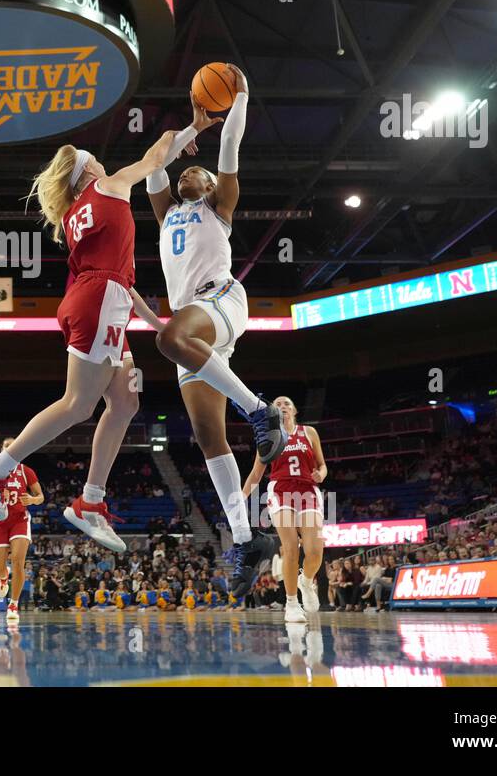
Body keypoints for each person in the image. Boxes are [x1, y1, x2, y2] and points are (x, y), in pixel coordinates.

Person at [0, 132, 183, 552]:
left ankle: (91, 500)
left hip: (102, 297)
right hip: (101, 299)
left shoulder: (73, 214)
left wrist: (158, 324)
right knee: (78, 404)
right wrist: (190, 129)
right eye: (97, 159)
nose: (104, 163)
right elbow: (156, 157)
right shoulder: (109, 184)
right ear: (87, 171)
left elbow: (122, 277)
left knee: (125, 401)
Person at [146, 66, 283, 598]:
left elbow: (232, 140)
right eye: (188, 173)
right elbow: (155, 163)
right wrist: (189, 130)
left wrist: (241, 92)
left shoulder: (219, 207)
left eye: (199, 173)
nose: (190, 175)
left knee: (167, 339)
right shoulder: (166, 214)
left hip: (219, 301)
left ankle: (259, 409)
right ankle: (248, 539)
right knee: (208, 438)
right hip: (196, 329)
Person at [242, 395, 325, 623]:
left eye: (287, 403)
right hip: (281, 490)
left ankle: (306, 582)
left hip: (308, 490)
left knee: (315, 552)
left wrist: (321, 474)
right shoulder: (267, 437)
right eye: (277, 405)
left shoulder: (309, 432)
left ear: (295, 409)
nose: (283, 406)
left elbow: (322, 465)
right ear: (273, 413)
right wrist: (240, 498)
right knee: (290, 547)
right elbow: (257, 474)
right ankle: (291, 603)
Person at [0, 436, 44, 623]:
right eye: (7, 447)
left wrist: (33, 500)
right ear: (2, 451)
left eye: (14, 447)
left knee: (18, 561)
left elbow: (40, 496)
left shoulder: (26, 471)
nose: (10, 450)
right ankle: (3, 578)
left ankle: (13, 604)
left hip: (19, 520)